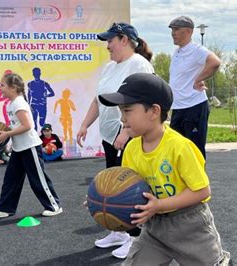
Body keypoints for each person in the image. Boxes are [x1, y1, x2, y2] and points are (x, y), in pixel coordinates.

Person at [99, 73, 230, 265]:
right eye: (121, 111)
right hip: (155, 229)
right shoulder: (132, 148)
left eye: (127, 111)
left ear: (153, 111)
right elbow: (126, 187)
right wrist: (105, 199)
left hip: (190, 225)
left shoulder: (180, 147)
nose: (122, 118)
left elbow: (202, 191)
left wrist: (160, 205)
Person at [76, 22, 154, 259]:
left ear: (124, 39)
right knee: (114, 188)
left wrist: (127, 131)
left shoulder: (139, 65)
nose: (107, 46)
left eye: (110, 40)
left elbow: (145, 103)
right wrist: (84, 125)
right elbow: (99, 100)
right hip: (111, 137)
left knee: (131, 188)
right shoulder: (110, 67)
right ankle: (119, 231)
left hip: (128, 137)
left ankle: (136, 238)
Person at [0, 72, 62, 220]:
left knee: (37, 179)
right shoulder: (11, 104)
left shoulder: (19, 103)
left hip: (30, 147)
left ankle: (54, 206)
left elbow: (27, 125)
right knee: (11, 179)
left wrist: (7, 134)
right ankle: (4, 208)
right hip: (19, 148)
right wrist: (11, 141)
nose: (0, 88)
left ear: (13, 87)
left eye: (2, 85)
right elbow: (18, 126)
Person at [168, 16, 222, 159]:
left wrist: (199, 79)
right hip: (178, 108)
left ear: (189, 31)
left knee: (194, 151)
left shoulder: (196, 50)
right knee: (177, 150)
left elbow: (215, 62)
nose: (173, 33)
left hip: (194, 107)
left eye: (177, 29)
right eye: (172, 30)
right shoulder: (177, 53)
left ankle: (199, 182)